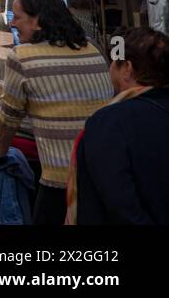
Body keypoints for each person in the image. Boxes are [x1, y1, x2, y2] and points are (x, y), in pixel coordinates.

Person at [0, 0, 112, 226]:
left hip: (59, 177)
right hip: (102, 173)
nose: (12, 24)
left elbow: (9, 117)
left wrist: (0, 148)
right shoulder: (92, 48)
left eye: (18, 17)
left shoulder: (22, 56)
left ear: (38, 21)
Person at [70, 27, 169, 224]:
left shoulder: (109, 122)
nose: (110, 68)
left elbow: (120, 202)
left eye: (114, 62)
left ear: (127, 69)